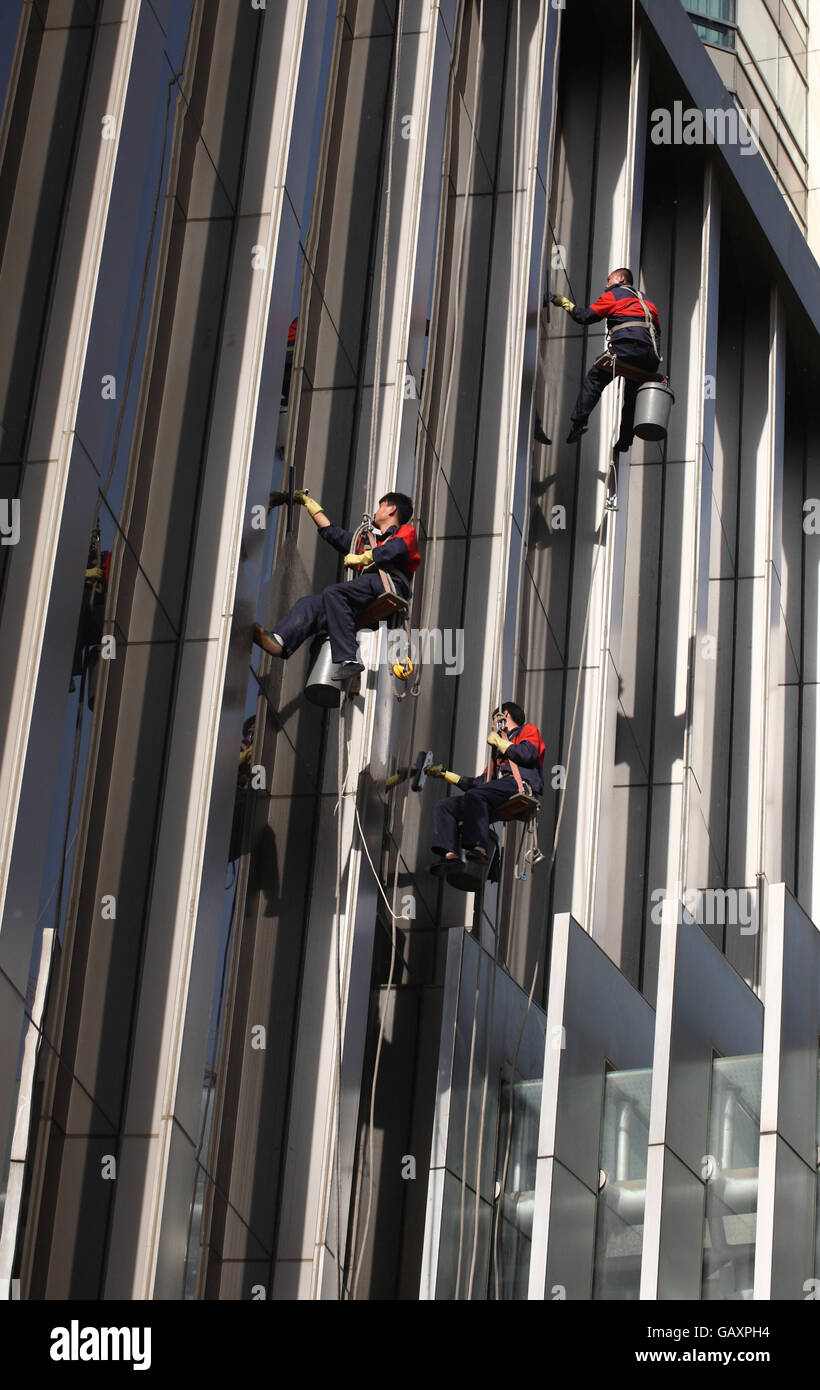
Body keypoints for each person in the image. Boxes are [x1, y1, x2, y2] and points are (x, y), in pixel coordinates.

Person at [253, 489, 420, 681]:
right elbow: (334, 534)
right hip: (365, 595)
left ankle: (350, 659)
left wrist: (365, 557)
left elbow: (396, 549)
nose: (376, 512)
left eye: (380, 506)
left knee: (335, 593)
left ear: (391, 509)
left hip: (388, 586)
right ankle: (280, 640)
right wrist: (309, 504)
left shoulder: (405, 532)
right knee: (311, 604)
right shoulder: (367, 542)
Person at [551, 267, 661, 451]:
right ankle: (625, 442)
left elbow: (585, 317)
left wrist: (564, 303)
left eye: (608, 280)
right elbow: (657, 333)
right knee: (632, 395)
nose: (605, 285)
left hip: (628, 349)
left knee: (595, 379)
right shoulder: (648, 302)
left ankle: (578, 422)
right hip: (651, 358)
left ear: (619, 278)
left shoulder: (615, 294)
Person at [428, 702, 545, 862]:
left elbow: (528, 754)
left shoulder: (527, 731)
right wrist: (446, 775)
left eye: (493, 721)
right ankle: (450, 855)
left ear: (505, 715)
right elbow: (481, 783)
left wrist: (501, 743)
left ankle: (479, 847)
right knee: (445, 806)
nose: (492, 727)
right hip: (498, 790)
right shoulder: (497, 753)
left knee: (476, 795)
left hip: (519, 785)